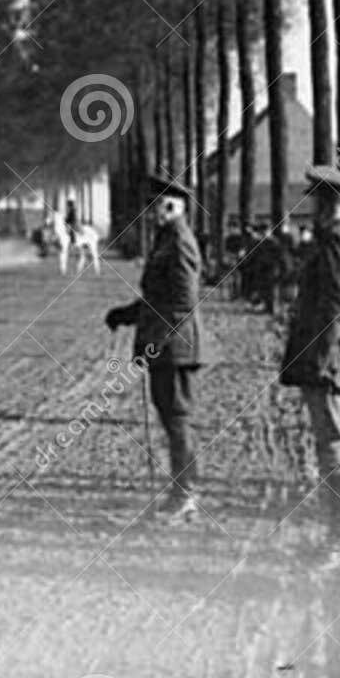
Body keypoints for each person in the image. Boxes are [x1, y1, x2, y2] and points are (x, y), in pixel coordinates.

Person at [280, 165, 340, 554]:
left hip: (331, 362)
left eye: (316, 198)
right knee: (332, 445)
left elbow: (336, 307)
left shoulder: (338, 239)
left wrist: (317, 360)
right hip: (330, 358)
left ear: (326, 202)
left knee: (334, 446)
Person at [105, 173, 204, 520]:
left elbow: (182, 303)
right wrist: (127, 315)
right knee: (171, 421)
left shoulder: (179, 241)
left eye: (157, 206)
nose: (150, 213)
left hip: (175, 349)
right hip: (166, 347)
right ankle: (181, 493)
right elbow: (157, 298)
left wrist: (154, 340)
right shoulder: (167, 239)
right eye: (151, 206)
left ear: (174, 206)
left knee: (178, 423)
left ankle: (186, 494)